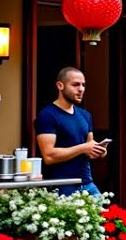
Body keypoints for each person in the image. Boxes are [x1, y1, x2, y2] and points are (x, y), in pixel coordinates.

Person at [35, 67, 106, 196]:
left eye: (83, 85)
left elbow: (89, 147)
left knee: (108, 216)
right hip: (62, 185)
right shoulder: (48, 115)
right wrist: (84, 148)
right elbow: (49, 156)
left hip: (87, 182)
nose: (81, 89)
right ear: (60, 85)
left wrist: (99, 150)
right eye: (75, 85)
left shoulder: (85, 115)